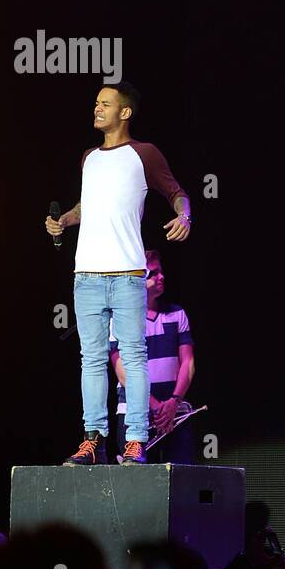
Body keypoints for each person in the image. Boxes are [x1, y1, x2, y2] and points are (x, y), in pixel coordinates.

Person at [45, 82, 192, 466]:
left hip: (128, 274)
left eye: (105, 104)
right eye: (96, 103)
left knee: (134, 357)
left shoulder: (143, 154)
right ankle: (92, 439)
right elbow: (87, 205)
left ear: (124, 112)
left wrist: (185, 214)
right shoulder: (89, 158)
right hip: (87, 276)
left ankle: (136, 441)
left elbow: (176, 192)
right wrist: (65, 220)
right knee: (91, 360)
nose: (96, 109)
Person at [111, 249, 197, 464]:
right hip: (135, 412)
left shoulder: (177, 314)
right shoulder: (119, 320)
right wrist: (156, 406)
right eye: (154, 273)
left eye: (161, 272)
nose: (161, 277)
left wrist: (173, 402)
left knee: (180, 478)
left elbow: (188, 362)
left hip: (175, 412)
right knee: (135, 480)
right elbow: (123, 373)